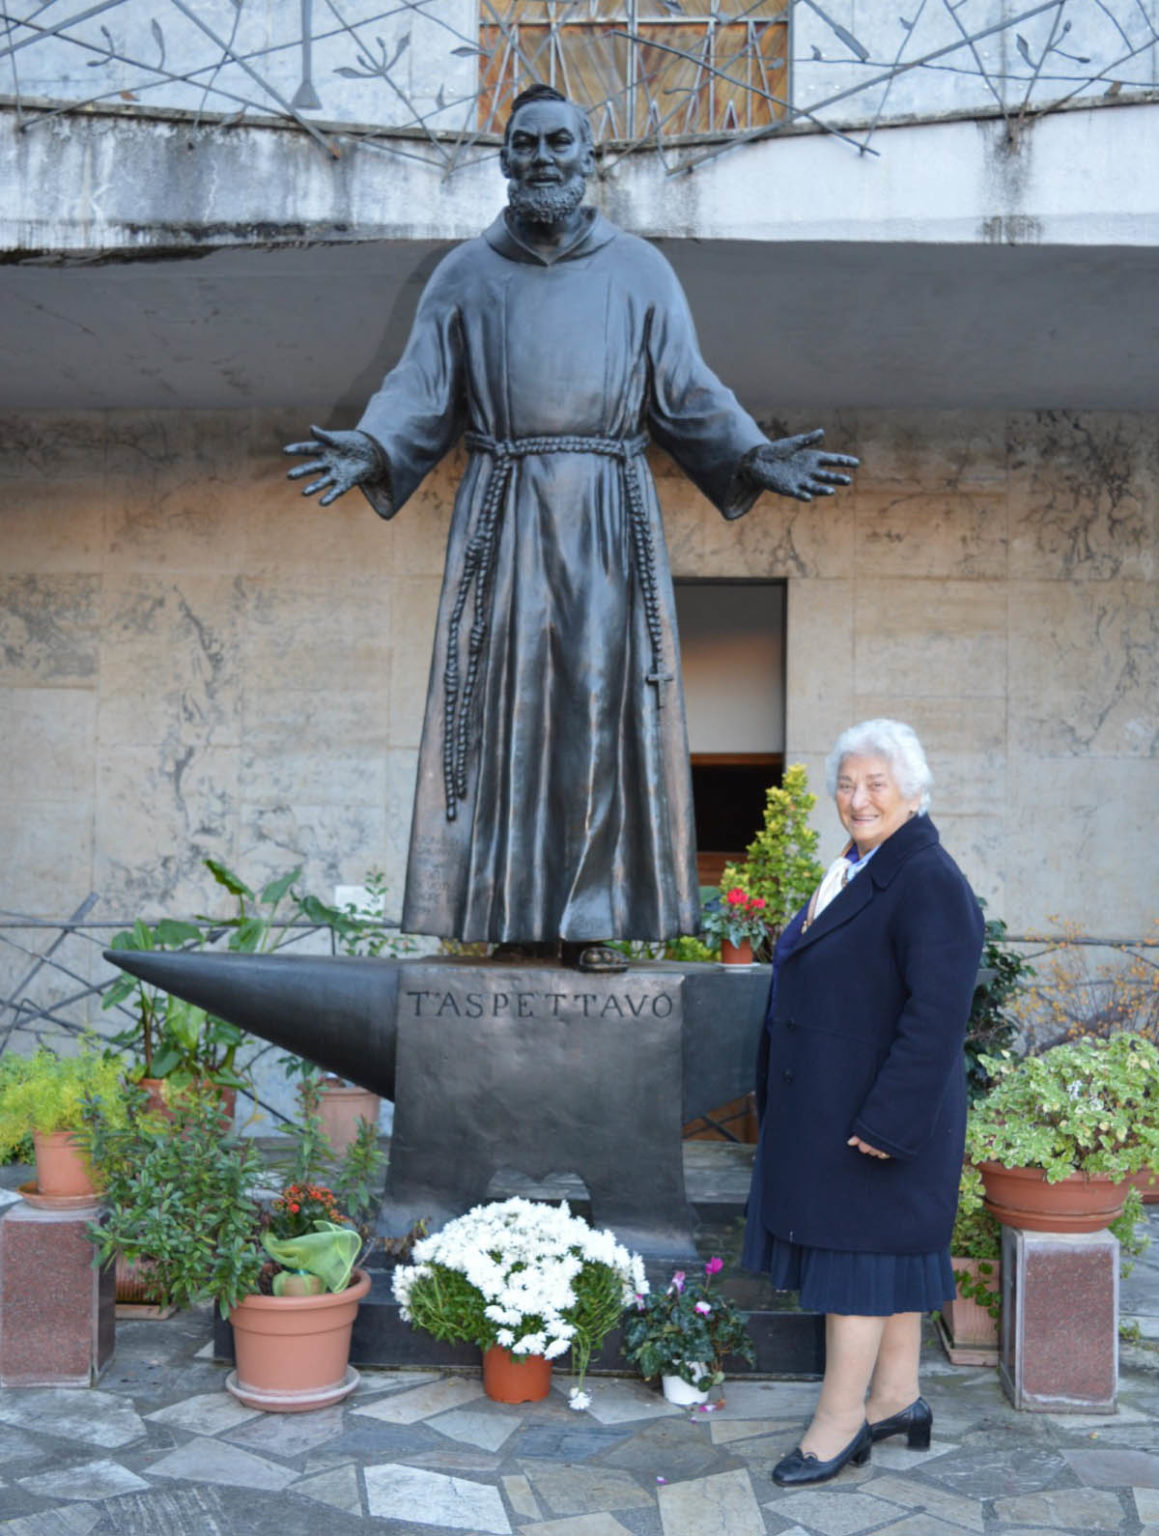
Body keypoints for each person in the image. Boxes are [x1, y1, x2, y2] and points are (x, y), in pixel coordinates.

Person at [285, 84, 857, 953]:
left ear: (589, 159)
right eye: (526, 144)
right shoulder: (465, 274)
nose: (543, 158)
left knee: (598, 706)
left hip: (605, 516)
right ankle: (512, 920)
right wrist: (372, 446)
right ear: (504, 160)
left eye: (560, 143)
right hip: (504, 510)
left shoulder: (638, 271)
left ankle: (595, 919)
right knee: (505, 709)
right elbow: (419, 389)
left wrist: (748, 454)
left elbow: (687, 388)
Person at [742, 718, 984, 1486]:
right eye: (846, 783)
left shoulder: (927, 878)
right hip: (839, 1107)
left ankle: (838, 1424)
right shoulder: (854, 866)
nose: (857, 797)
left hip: (881, 1116)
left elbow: (938, 1015)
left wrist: (890, 1119)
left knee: (857, 1268)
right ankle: (896, 1398)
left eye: (875, 783)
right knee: (890, 1262)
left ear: (913, 791)